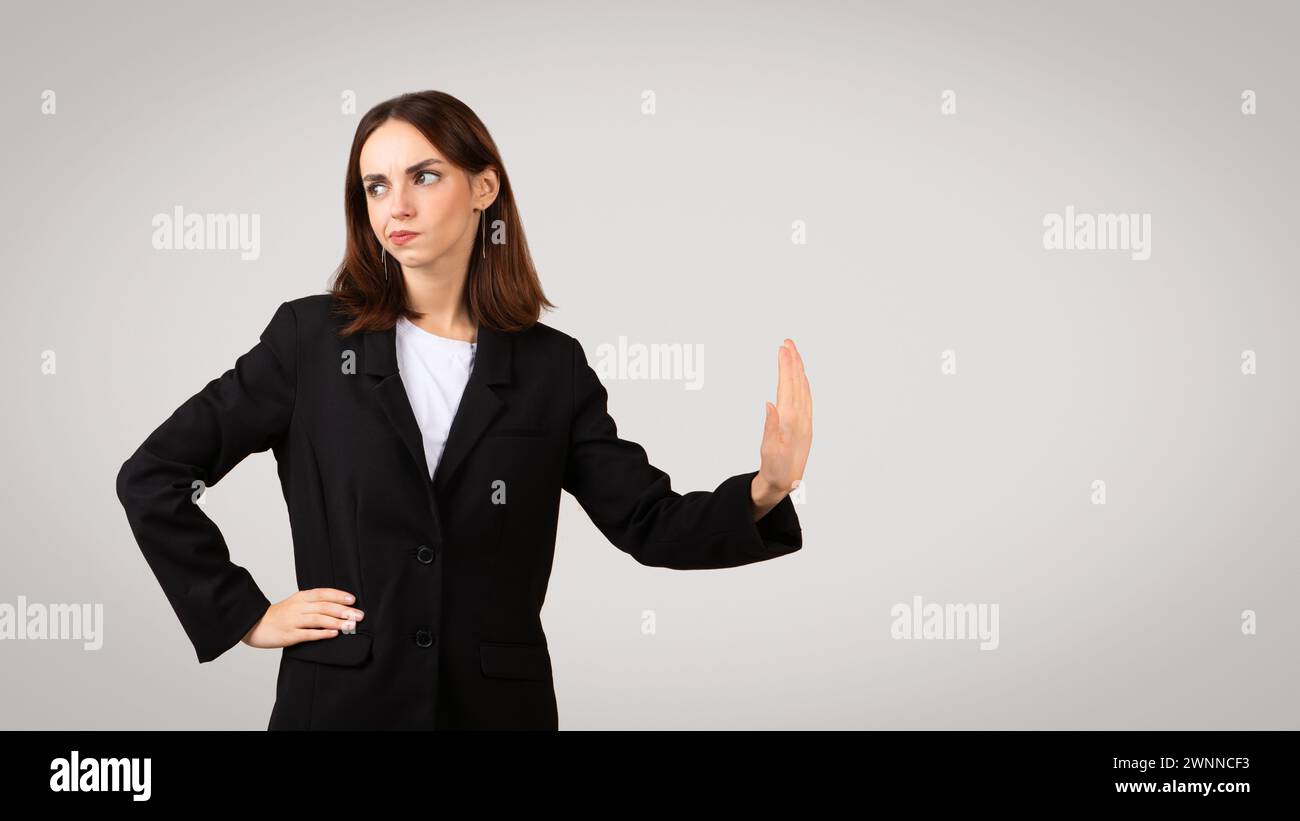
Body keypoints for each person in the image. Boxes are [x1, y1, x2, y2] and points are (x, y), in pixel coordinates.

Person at [115, 90, 813, 730]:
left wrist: (767, 488)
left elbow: (648, 522)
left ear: (484, 185)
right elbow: (154, 475)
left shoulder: (551, 367)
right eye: (375, 186)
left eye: (423, 176)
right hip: (339, 709)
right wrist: (245, 615)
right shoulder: (310, 342)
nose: (397, 207)